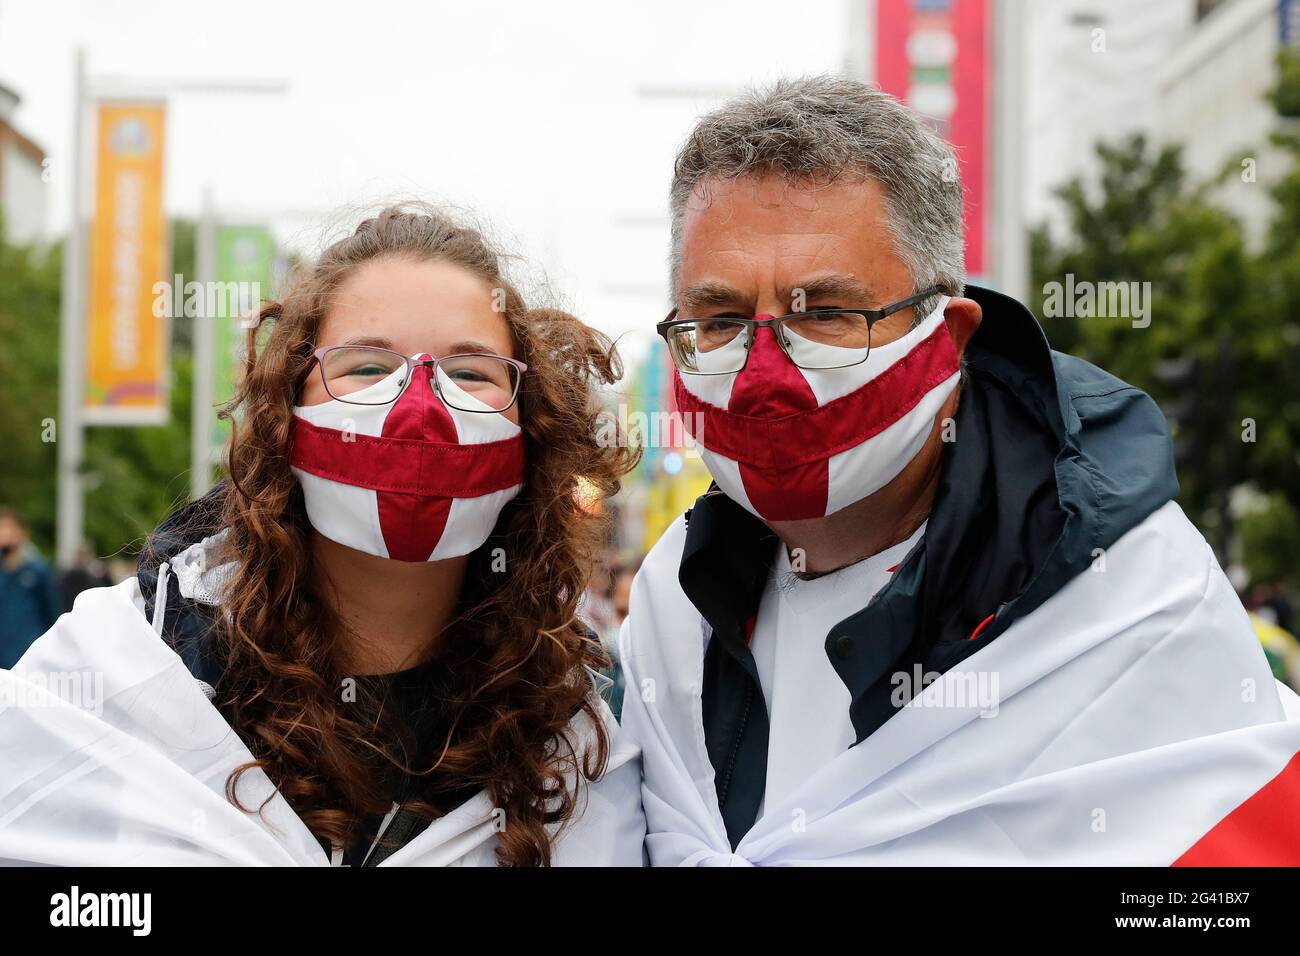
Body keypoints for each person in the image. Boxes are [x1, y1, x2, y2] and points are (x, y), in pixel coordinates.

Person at [618, 76, 1300, 865]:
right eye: (722, 320)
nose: (764, 370)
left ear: (951, 339)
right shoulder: (673, 608)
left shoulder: (1128, 602)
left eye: (827, 314)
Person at [0, 204, 646, 866]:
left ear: (529, 433)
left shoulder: (578, 741)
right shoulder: (120, 670)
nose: (418, 408)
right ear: (288, 410)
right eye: (367, 368)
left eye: (471, 373)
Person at [0, 507, 61, 668]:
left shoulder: (38, 571)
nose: (5, 533)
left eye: (10, 528)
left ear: (22, 533)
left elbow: (52, 613)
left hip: (28, 658)